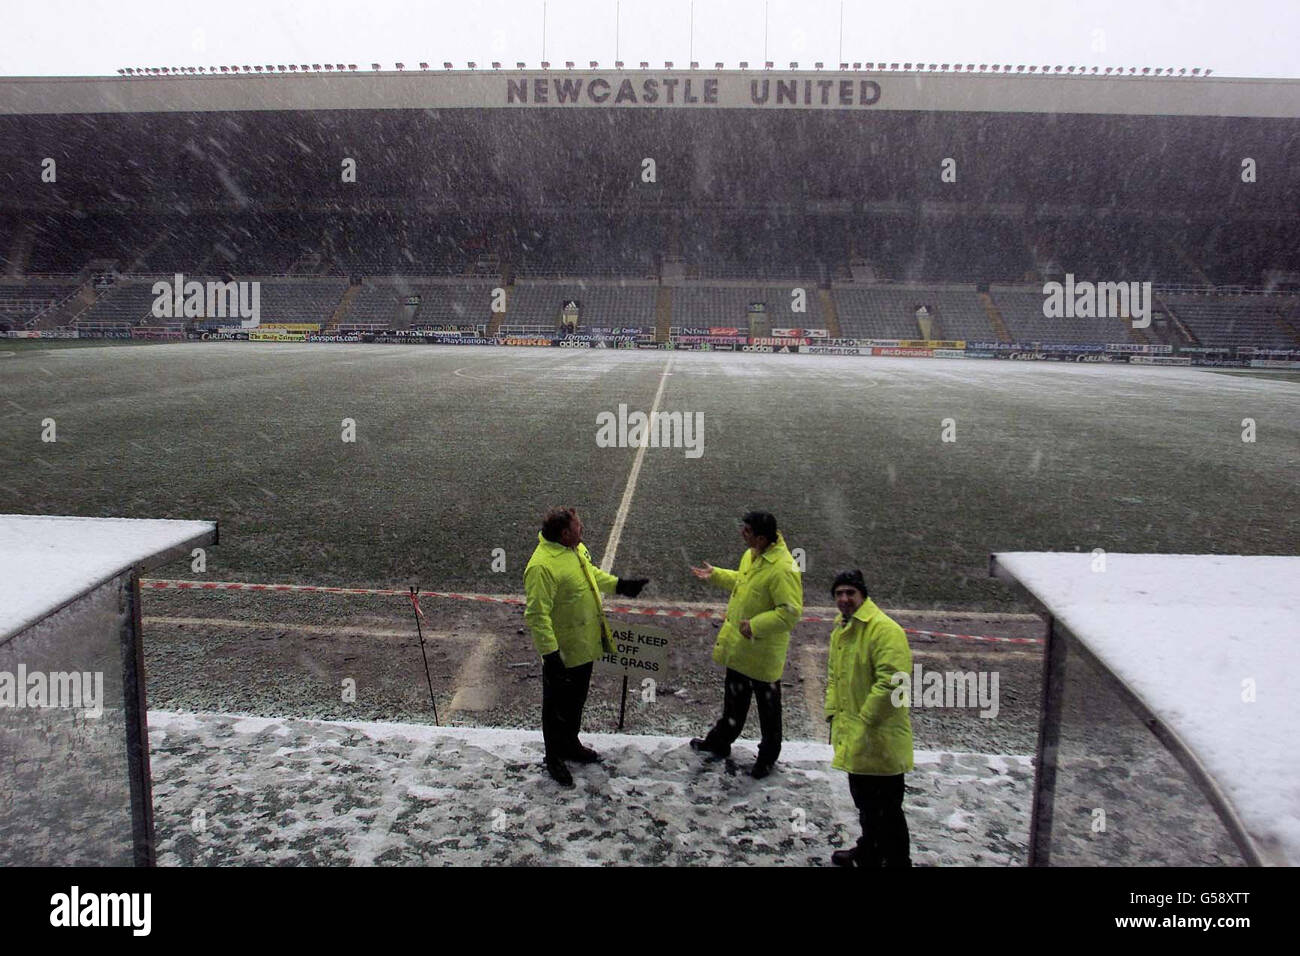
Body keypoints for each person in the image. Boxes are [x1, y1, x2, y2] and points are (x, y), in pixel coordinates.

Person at [523, 506, 648, 788]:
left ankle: (570, 744)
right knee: (555, 709)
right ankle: (554, 757)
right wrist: (551, 656)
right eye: (578, 527)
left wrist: (620, 585)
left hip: (583, 647)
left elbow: (590, 574)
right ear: (565, 533)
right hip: (562, 654)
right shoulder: (542, 566)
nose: (583, 530)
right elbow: (537, 615)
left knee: (575, 702)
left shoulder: (574, 550)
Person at [689, 510, 802, 779]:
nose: (742, 533)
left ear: (762, 538)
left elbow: (789, 612)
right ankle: (719, 742)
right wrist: (716, 574)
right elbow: (743, 581)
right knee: (734, 705)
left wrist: (755, 625)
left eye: (747, 531)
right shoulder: (753, 555)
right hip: (741, 650)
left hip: (762, 657)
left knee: (769, 713)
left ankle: (767, 757)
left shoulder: (783, 569)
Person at [824, 569, 913, 867]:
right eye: (839, 594)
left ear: (863, 595)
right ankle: (871, 851)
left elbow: (894, 682)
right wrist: (832, 713)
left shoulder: (884, 630)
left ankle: (897, 861)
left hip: (879, 739)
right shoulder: (842, 629)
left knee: (887, 810)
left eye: (850, 593)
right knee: (866, 805)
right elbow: (835, 677)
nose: (844, 599)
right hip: (856, 737)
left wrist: (864, 722)